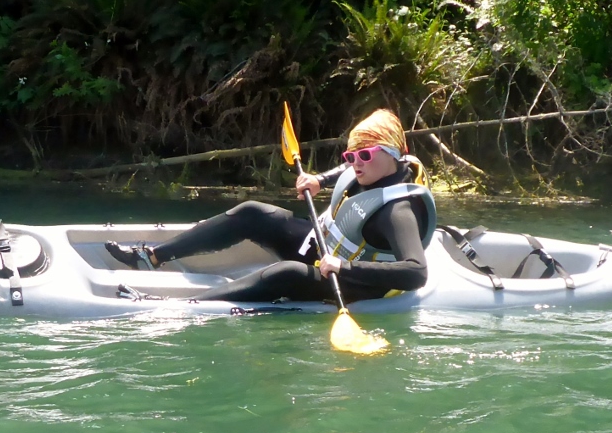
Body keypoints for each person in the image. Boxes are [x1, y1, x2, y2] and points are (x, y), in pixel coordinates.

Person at [105, 108, 436, 302]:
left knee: (287, 273)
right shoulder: (372, 166)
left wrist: (343, 267)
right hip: (325, 249)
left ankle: (177, 306)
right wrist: (320, 179)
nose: (355, 163)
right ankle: (150, 257)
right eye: (351, 155)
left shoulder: (399, 211)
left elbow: (416, 273)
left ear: (394, 155)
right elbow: (347, 170)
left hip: (357, 282)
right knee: (254, 212)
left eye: (365, 155)